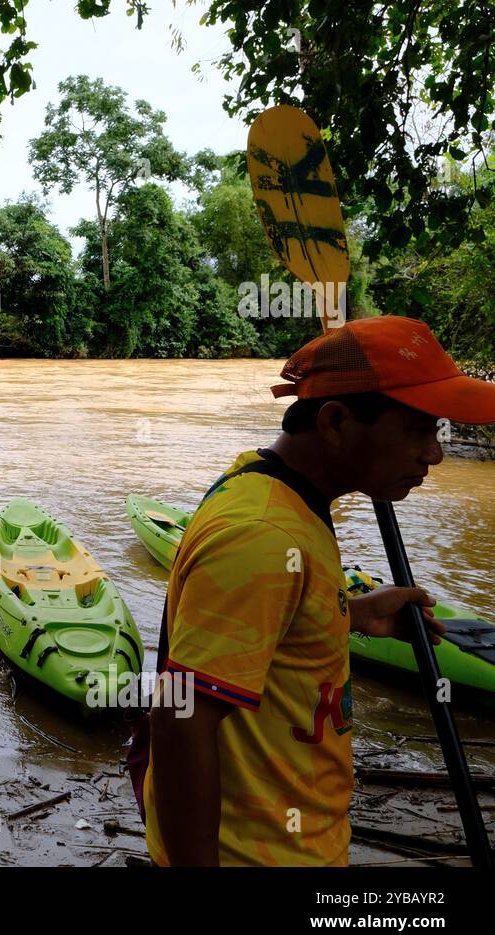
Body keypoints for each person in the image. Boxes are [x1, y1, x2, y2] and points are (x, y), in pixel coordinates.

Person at [142, 315, 495, 866]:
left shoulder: (276, 487)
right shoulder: (263, 534)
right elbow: (181, 714)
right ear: (335, 421)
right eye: (418, 430)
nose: (435, 455)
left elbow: (264, 627)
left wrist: (347, 615)